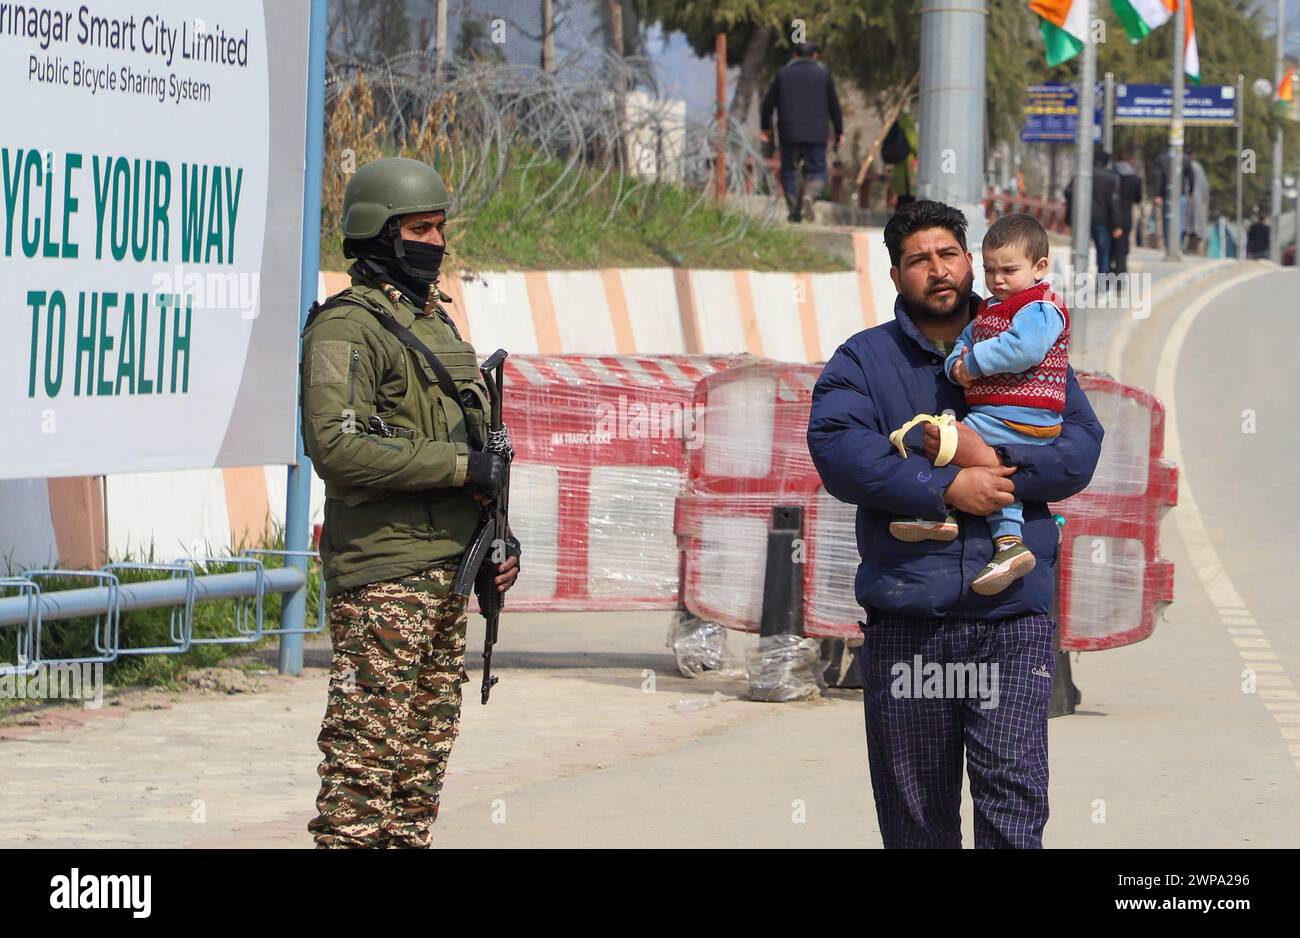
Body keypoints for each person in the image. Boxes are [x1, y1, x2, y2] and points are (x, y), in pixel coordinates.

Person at [806, 200, 1103, 849]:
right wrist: (946, 486)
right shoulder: (863, 361)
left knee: (1013, 810)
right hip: (910, 622)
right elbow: (840, 452)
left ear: (970, 261)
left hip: (1013, 626)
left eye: (948, 254)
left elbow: (1079, 444)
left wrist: (995, 469)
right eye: (918, 260)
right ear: (895, 276)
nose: (937, 270)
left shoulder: (1027, 334)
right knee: (917, 823)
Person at [300, 156, 521, 848]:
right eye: (420, 228)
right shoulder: (346, 330)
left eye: (440, 228)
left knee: (417, 777)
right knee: (364, 773)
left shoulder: (437, 325)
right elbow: (336, 446)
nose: (436, 242)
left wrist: (496, 543)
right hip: (385, 576)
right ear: (380, 235)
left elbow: (479, 446)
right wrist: (459, 468)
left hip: (444, 572)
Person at [759, 41, 844, 223]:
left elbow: (767, 105)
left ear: (795, 55)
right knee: (818, 169)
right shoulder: (823, 75)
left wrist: (765, 127)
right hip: (816, 135)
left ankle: (794, 212)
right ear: (815, 56)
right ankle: (810, 194)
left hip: (788, 133)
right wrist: (839, 132)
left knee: (789, 170)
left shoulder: (783, 74)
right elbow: (834, 107)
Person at [1063, 150, 1123, 276]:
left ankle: (1080, 280)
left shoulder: (1081, 175)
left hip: (1081, 220)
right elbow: (1114, 202)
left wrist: (1068, 220)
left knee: (1081, 251)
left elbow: (1068, 193)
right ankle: (1102, 284)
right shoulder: (1111, 177)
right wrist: (1117, 225)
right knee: (1103, 253)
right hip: (1102, 220)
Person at [1153, 149, 1193, 250]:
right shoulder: (1185, 159)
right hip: (1181, 194)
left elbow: (1158, 178)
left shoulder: (1161, 159)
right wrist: (1190, 192)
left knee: (1167, 221)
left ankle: (1169, 245)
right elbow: (1191, 177)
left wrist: (1158, 195)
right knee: (1180, 221)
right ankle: (1178, 245)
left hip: (1166, 195)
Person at [1112, 149, 1143, 275]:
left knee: (1108, 249)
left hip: (1109, 217)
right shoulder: (1135, 179)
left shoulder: (1111, 175)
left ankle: (1105, 279)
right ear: (1130, 161)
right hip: (1126, 216)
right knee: (1122, 248)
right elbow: (1138, 199)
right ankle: (1120, 277)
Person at [1186, 152, 1210, 255]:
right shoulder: (1198, 167)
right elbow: (1205, 186)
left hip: (1189, 199)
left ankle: (1190, 248)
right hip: (1197, 200)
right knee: (1196, 225)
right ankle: (1195, 249)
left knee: (1190, 225)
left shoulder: (1186, 166)